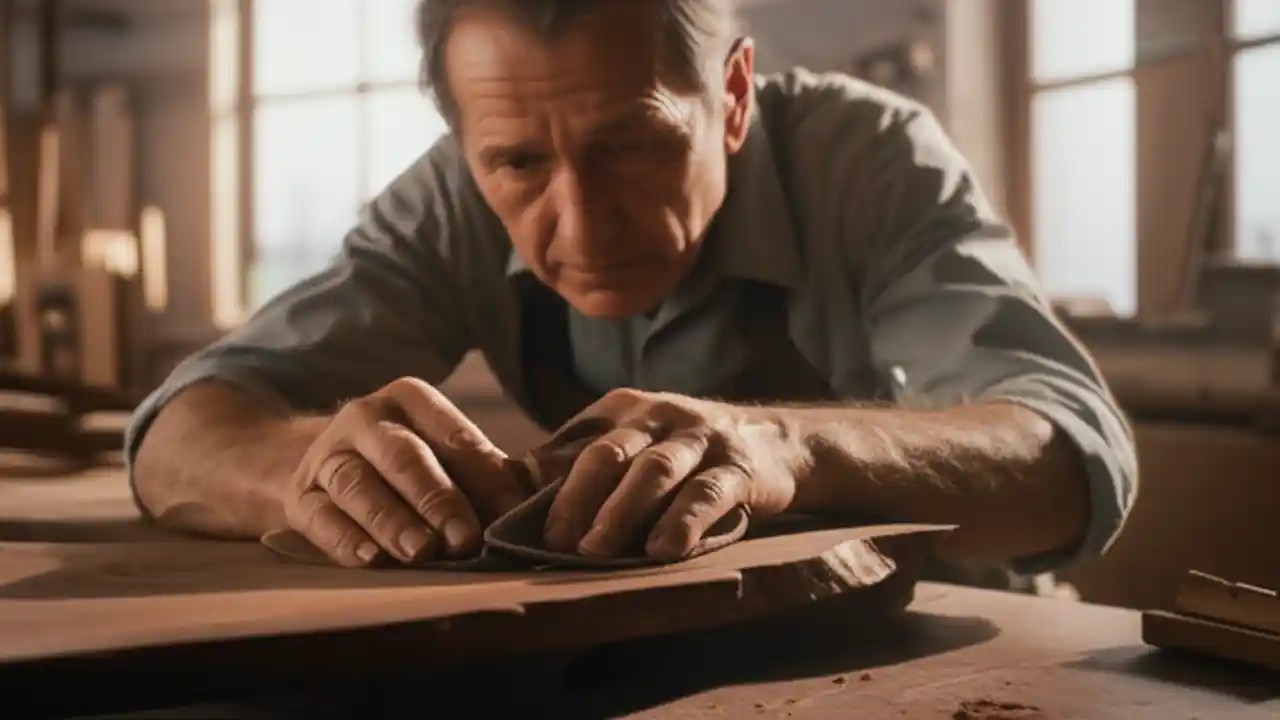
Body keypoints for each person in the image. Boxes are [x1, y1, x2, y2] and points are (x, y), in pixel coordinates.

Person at [130, 0, 1136, 583]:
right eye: (518, 165)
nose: (584, 225)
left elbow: (1069, 465)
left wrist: (780, 447)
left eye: (633, 146)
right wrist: (318, 469)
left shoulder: (864, 160)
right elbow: (178, 433)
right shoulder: (448, 195)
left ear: (732, 100)